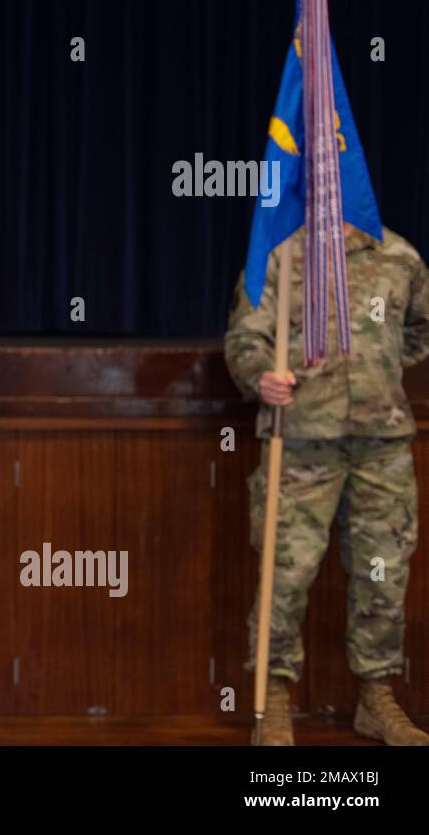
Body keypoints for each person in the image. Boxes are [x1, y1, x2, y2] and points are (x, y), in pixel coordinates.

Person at [225, 222, 429, 745]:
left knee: (383, 574)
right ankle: (272, 701)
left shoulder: (398, 256)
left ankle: (377, 697)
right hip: (300, 441)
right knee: (285, 573)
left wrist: (374, 370)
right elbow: (246, 339)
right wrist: (260, 377)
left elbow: (419, 331)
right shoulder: (279, 255)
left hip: (380, 444)